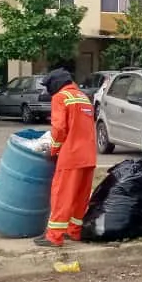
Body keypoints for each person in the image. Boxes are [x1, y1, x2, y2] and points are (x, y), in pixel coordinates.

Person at [33, 68, 97, 247]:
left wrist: (53, 150)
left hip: (71, 155)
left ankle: (54, 237)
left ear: (56, 83)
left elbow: (59, 129)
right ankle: (74, 231)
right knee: (80, 196)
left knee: (62, 195)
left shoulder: (60, 97)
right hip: (88, 156)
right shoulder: (84, 98)